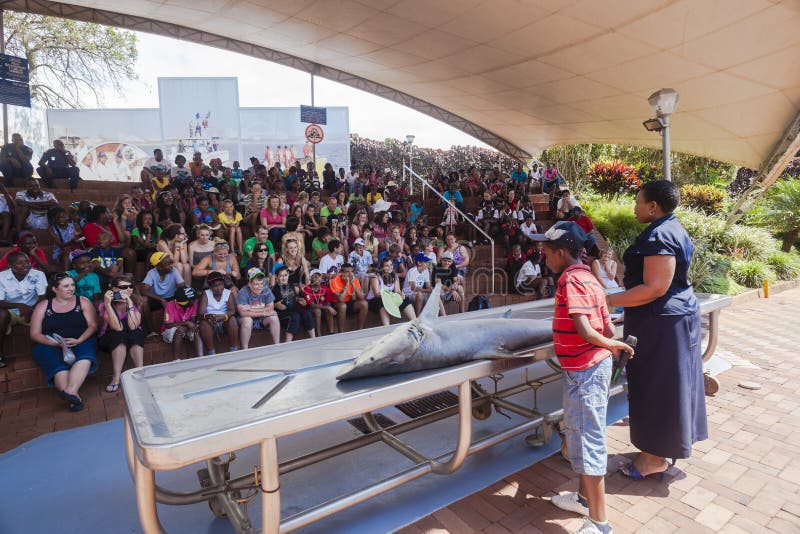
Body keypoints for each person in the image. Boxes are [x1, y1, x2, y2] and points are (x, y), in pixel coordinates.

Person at [538, 222, 634, 534]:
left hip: (585, 371)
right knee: (583, 433)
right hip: (593, 367)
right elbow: (606, 326)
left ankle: (599, 523)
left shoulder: (570, 280)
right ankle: (582, 499)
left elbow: (587, 330)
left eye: (547, 253)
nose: (545, 259)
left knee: (587, 439)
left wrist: (610, 345)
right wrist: (610, 343)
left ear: (562, 253)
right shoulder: (590, 279)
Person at [606, 180, 705, 480]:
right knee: (672, 387)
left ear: (653, 206)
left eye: (638, 201)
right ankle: (660, 451)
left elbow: (654, 288)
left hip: (662, 322)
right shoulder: (672, 227)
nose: (634, 207)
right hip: (673, 318)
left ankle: (653, 459)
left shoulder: (660, 234)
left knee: (658, 389)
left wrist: (605, 299)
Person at [30, 272, 99, 412]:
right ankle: (74, 397)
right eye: (66, 286)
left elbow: (93, 325)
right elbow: (35, 334)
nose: (71, 288)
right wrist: (55, 344)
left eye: (72, 285)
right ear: (55, 289)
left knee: (86, 355)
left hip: (80, 339)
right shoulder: (43, 306)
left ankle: (70, 393)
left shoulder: (83, 301)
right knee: (57, 364)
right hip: (51, 342)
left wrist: (79, 340)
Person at [97, 275, 144, 392]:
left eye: (131, 286)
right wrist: (108, 304)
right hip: (110, 336)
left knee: (136, 333)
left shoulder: (135, 301)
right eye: (124, 287)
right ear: (114, 289)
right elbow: (117, 327)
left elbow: (133, 326)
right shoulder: (104, 305)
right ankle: (116, 378)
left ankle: (140, 371)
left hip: (130, 334)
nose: (129, 290)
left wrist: (130, 304)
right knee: (119, 335)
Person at [0, 252, 47, 367]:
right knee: (1, 315)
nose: (26, 265)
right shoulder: (1, 277)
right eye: (20, 263)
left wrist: (32, 310)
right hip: (11, 311)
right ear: (10, 265)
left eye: (27, 261)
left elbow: (42, 297)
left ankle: (47, 352)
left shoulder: (38, 275)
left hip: (33, 309)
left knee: (49, 313)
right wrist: (20, 306)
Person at [140, 251, 186, 335]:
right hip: (156, 299)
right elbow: (143, 290)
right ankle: (152, 332)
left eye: (171, 263)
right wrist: (161, 299)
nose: (171, 265)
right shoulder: (151, 273)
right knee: (144, 300)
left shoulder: (174, 271)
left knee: (186, 297)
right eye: (168, 264)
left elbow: (182, 287)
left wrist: (173, 302)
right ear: (159, 267)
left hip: (172, 297)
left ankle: (182, 328)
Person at [237, 268, 281, 349]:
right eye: (256, 284)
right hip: (247, 320)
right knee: (247, 320)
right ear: (249, 284)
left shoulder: (266, 289)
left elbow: (271, 307)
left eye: (261, 283)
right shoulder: (243, 292)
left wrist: (251, 308)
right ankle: (245, 350)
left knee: (274, 317)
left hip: (262, 320)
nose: (260, 287)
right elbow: (243, 313)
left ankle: (277, 346)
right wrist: (263, 312)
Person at [197, 271, 239, 355]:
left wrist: (224, 317)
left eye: (221, 285)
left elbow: (232, 311)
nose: (219, 288)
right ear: (210, 287)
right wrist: (209, 317)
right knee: (203, 324)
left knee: (233, 320)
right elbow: (200, 313)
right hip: (210, 321)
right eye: (215, 286)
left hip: (224, 321)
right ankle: (211, 352)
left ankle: (233, 350)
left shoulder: (228, 293)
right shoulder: (206, 294)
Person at [367, 257, 416, 326]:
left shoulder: (395, 276)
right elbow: (376, 294)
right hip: (375, 299)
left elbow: (397, 291)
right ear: (382, 267)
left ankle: (415, 322)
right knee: (382, 303)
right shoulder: (375, 277)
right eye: (387, 266)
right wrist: (389, 296)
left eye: (391, 265)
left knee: (405, 300)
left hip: (389, 298)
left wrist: (401, 294)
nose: (390, 267)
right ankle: (387, 327)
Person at [272, 266, 315, 342]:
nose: (284, 278)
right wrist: (293, 301)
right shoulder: (275, 288)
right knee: (295, 316)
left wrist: (299, 299)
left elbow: (292, 298)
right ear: (276, 277)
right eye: (281, 276)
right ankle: (288, 343)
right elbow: (282, 306)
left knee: (307, 312)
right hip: (283, 313)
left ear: (288, 275)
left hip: (293, 308)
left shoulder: (290, 285)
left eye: (285, 275)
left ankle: (313, 339)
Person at [162, 285, 202, 360]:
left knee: (195, 330)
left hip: (186, 328)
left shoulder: (193, 304)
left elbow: (192, 321)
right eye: (192, 300)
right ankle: (176, 361)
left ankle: (201, 359)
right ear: (184, 302)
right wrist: (186, 323)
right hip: (170, 330)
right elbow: (168, 325)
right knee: (179, 330)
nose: (195, 300)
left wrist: (188, 325)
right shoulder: (170, 305)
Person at [329, 263, 368, 333]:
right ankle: (341, 332)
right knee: (343, 306)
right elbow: (340, 299)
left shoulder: (354, 280)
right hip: (336, 304)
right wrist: (346, 284)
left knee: (364, 304)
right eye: (347, 272)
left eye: (351, 271)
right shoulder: (334, 281)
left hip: (348, 302)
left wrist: (353, 284)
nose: (350, 274)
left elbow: (362, 297)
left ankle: (360, 330)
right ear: (341, 273)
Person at [302, 269, 336, 336]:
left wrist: (328, 307)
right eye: (315, 277)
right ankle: (319, 334)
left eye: (319, 277)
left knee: (328, 310)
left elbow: (328, 302)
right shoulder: (307, 289)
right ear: (311, 279)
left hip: (321, 307)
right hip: (309, 308)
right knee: (318, 310)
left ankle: (331, 332)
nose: (317, 279)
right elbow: (311, 305)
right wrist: (327, 307)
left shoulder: (325, 288)